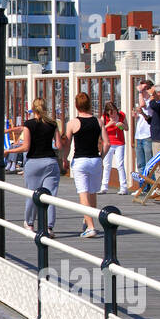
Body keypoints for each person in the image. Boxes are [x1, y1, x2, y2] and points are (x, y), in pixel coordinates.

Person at [7, 96, 66, 236]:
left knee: (32, 194)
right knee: (50, 196)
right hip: (50, 162)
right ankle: (49, 227)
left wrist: (8, 151)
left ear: (33, 109)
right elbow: (59, 145)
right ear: (45, 108)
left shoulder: (29, 124)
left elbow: (26, 147)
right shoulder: (52, 124)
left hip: (33, 163)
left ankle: (29, 223)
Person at [65, 92, 109, 237]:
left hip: (80, 160)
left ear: (77, 106)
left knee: (83, 193)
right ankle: (88, 221)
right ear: (89, 104)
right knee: (92, 193)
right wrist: (101, 157)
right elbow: (107, 143)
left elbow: (67, 143)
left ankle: (90, 227)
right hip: (95, 159)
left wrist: (65, 158)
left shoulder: (73, 123)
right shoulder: (98, 121)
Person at [99, 100, 129, 194]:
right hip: (108, 143)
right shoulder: (104, 117)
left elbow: (127, 128)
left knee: (120, 164)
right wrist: (109, 124)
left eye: (115, 112)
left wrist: (122, 125)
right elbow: (99, 129)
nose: (113, 115)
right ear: (107, 112)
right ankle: (104, 186)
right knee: (107, 165)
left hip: (119, 142)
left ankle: (123, 187)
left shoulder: (121, 115)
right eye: (111, 113)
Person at [133, 80, 154, 177]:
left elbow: (143, 106)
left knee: (149, 162)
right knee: (140, 164)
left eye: (144, 89)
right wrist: (136, 115)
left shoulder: (151, 101)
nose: (142, 91)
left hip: (147, 135)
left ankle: (151, 186)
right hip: (139, 135)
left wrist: (140, 91)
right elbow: (141, 110)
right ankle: (143, 187)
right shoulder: (142, 100)